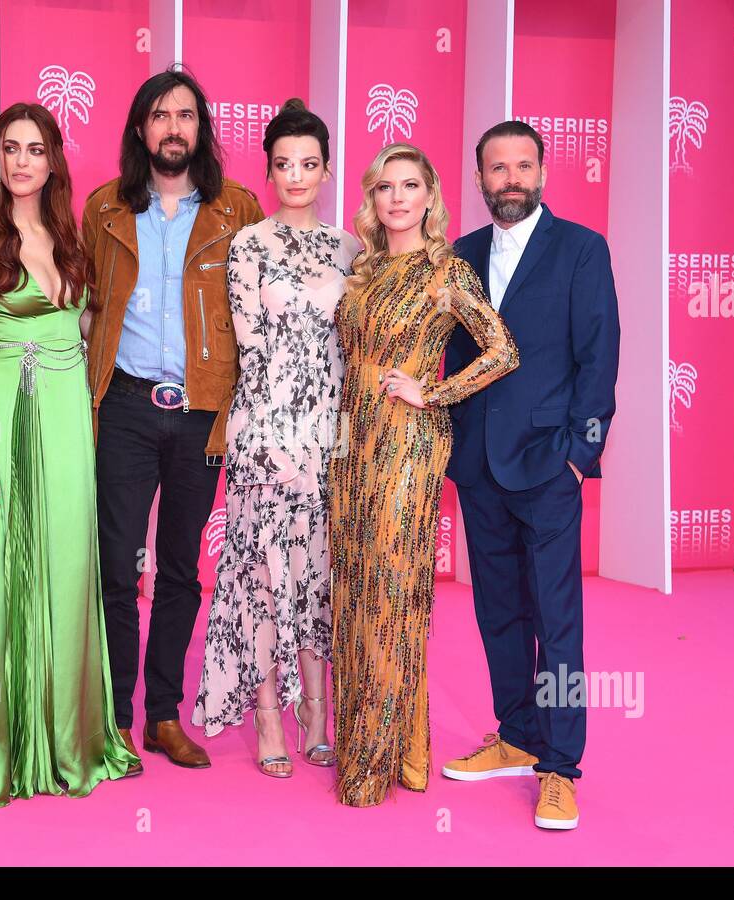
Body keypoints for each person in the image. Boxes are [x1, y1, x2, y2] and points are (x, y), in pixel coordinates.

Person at [0, 103, 138, 807]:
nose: (23, 160)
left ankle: (73, 737)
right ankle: (14, 742)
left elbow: (88, 327)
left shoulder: (72, 238)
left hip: (64, 412)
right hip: (3, 411)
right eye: (10, 148)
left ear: (54, 160)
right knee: (6, 575)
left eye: (36, 148)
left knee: (69, 568)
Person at [81, 68, 264, 771]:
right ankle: (114, 717)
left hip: (201, 414)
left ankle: (163, 716)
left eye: (185, 115)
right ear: (140, 130)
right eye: (159, 116)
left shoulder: (235, 211)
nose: (173, 128)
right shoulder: (103, 210)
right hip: (125, 407)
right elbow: (87, 307)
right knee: (117, 569)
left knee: (182, 571)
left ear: (201, 129)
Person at [440, 121, 619, 831]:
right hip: (479, 466)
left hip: (549, 466)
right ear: (480, 178)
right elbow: (452, 360)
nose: (509, 179)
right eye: (496, 168)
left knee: (557, 619)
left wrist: (580, 454)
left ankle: (561, 766)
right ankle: (516, 734)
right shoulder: (461, 255)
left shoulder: (581, 250)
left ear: (542, 171)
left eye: (521, 166)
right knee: (498, 611)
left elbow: (599, 360)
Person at [330, 143, 519, 807]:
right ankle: (387, 747)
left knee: (390, 590)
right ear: (373, 199)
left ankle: (375, 762)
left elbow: (502, 351)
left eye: (410, 185)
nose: (397, 198)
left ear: (431, 196)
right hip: (351, 445)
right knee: (355, 593)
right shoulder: (365, 266)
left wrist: (432, 393)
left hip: (409, 446)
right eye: (386, 187)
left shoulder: (447, 272)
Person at [192, 99, 360, 777]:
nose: (296, 175)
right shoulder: (250, 245)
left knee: (318, 579)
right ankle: (267, 718)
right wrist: (272, 442)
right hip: (266, 431)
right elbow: (248, 347)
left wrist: (334, 439)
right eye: (284, 164)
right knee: (262, 578)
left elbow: (352, 351)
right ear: (268, 171)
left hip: (330, 436)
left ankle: (318, 712)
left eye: (309, 163)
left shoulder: (351, 247)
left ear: (326, 170)